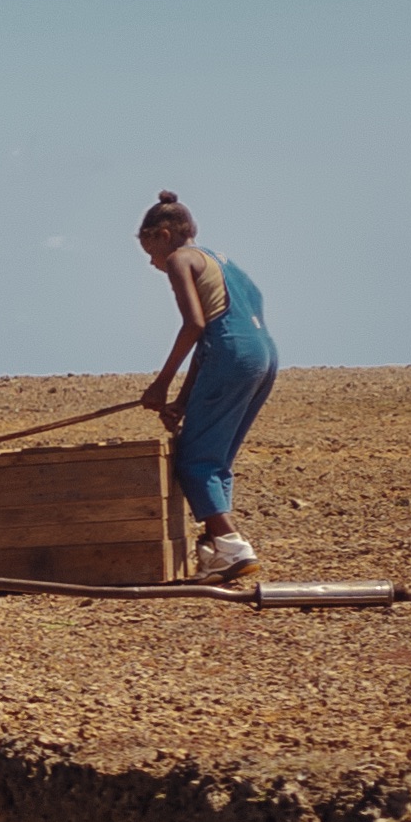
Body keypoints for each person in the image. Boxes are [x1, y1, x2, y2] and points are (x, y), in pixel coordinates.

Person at [128, 192, 277, 581]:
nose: (152, 262)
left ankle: (230, 545)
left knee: (194, 459)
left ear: (163, 234)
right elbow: (212, 336)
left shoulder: (180, 259)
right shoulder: (223, 262)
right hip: (261, 355)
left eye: (150, 250)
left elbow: (194, 326)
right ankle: (216, 550)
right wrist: (182, 398)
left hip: (231, 354)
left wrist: (160, 385)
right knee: (214, 456)